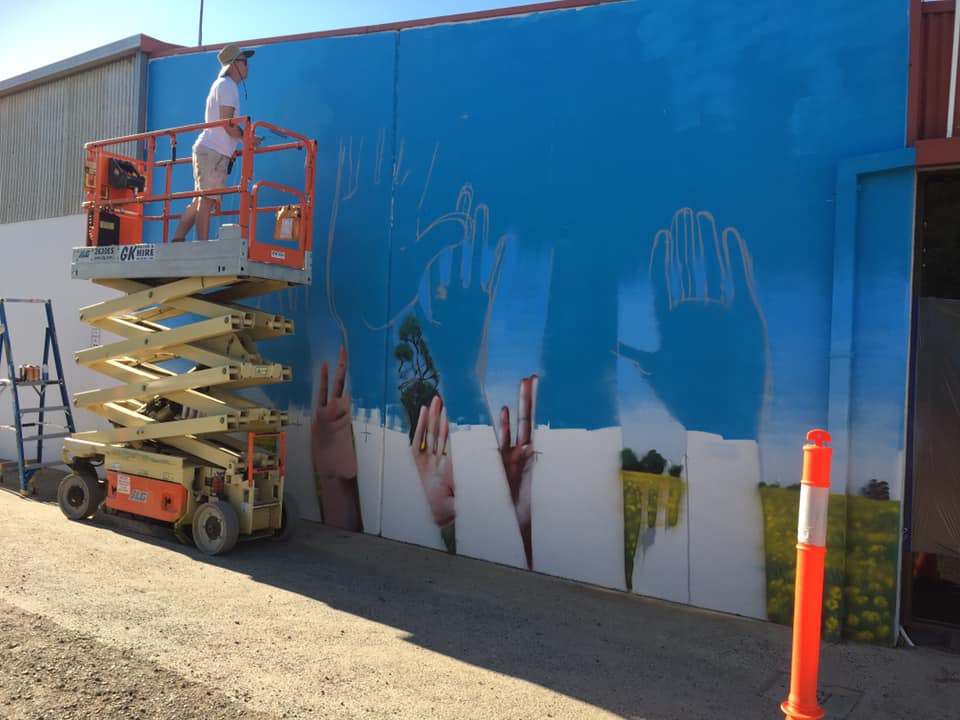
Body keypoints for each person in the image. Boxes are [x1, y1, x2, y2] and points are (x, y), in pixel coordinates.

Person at [171, 44, 259, 242]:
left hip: (209, 149)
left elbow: (225, 124)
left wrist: (246, 138)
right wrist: (246, 137)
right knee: (207, 201)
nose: (247, 66)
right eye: (245, 62)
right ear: (234, 65)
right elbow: (227, 123)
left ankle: (177, 242)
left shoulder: (221, 85)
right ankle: (203, 247)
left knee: (200, 200)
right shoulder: (228, 86)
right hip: (214, 151)